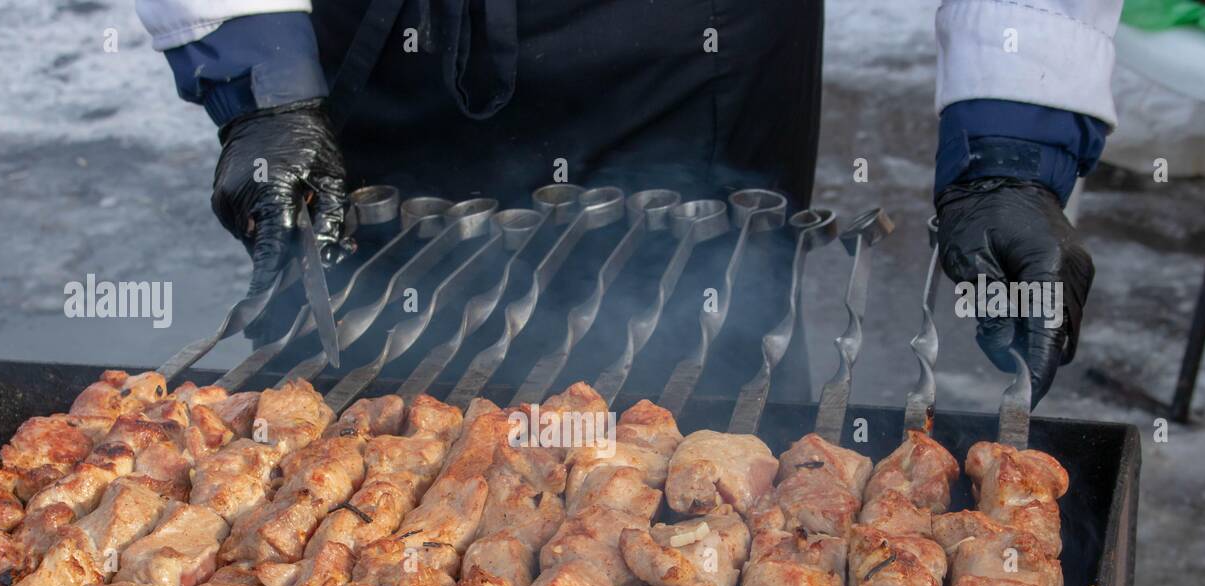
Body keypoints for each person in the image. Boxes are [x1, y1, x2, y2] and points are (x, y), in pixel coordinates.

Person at [135, 0, 1121, 405]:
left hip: (700, 58)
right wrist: (258, 79)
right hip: (398, 53)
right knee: (366, 415)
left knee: (712, 413)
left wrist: (1012, 147)